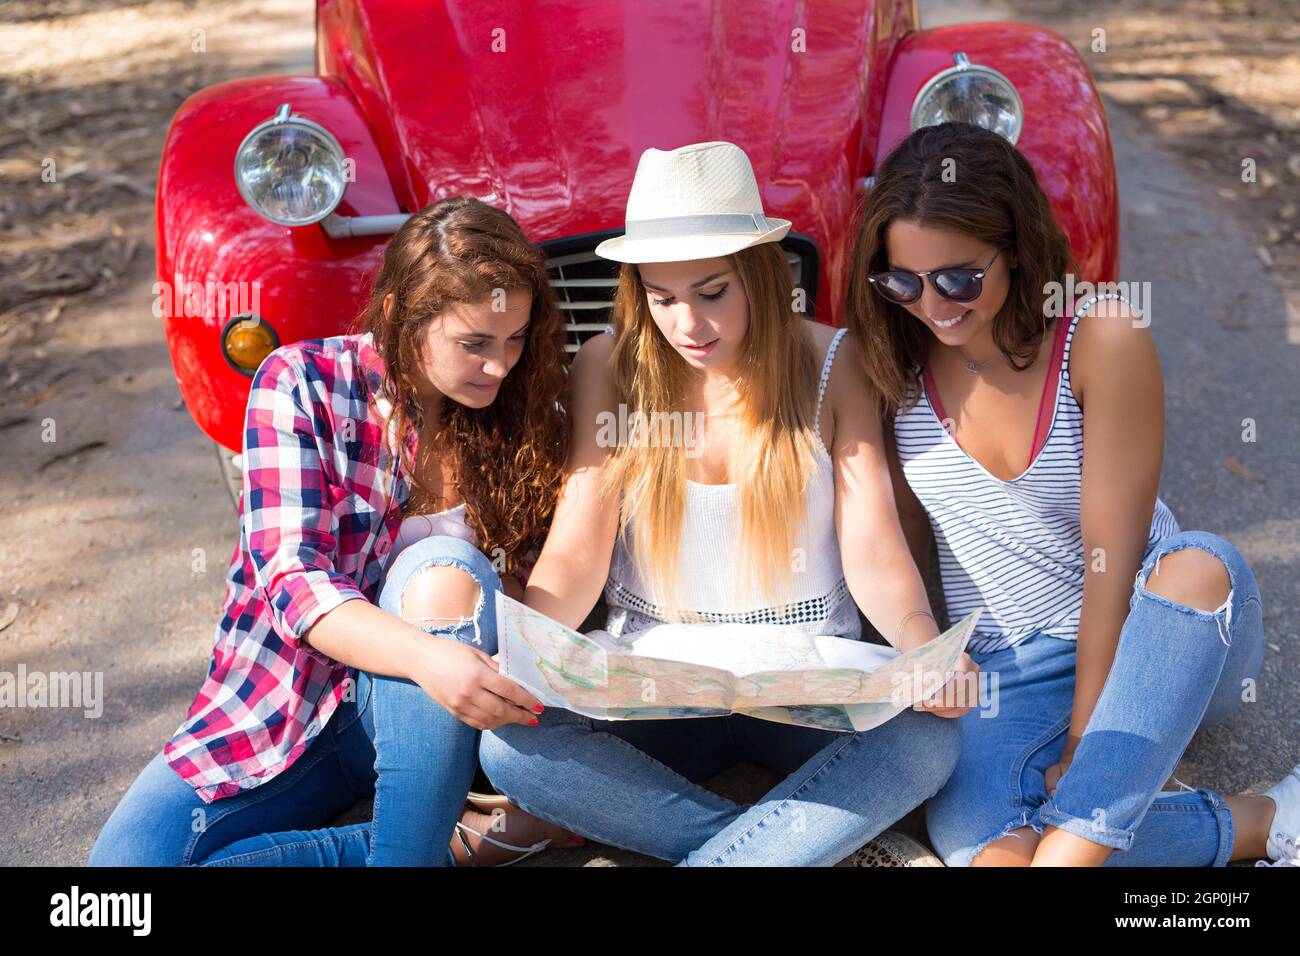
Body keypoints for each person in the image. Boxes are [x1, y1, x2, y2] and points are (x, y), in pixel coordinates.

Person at [478, 141, 974, 866]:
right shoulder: (608, 366)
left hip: (807, 682)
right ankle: (792, 848)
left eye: (712, 293)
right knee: (510, 747)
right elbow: (578, 546)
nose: (688, 324)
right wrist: (522, 653)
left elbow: (872, 543)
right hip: (652, 684)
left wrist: (921, 646)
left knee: (929, 741)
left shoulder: (836, 362)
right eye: (663, 297)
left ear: (762, 278)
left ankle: (741, 849)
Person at [846, 121, 1299, 867]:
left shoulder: (1100, 338)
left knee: (1199, 563)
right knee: (984, 851)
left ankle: (1079, 836)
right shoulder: (891, 361)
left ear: (1017, 249)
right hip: (1006, 671)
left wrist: (1086, 741)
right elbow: (902, 544)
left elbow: (1110, 565)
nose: (933, 304)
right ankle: (1260, 822)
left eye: (959, 278)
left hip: (1155, 637)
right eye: (903, 281)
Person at [88, 197, 583, 866]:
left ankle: (412, 850)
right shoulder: (301, 384)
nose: (500, 366)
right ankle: (468, 841)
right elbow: (291, 576)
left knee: (438, 564)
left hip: (452, 707)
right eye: (474, 344)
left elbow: (542, 579)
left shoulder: (528, 412)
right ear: (401, 320)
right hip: (294, 695)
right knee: (122, 872)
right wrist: (421, 655)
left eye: (516, 338)